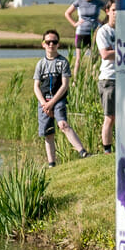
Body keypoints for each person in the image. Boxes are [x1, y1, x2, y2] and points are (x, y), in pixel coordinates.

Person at [33, 30, 90, 165]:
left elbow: (65, 85)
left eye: (54, 42)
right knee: (48, 133)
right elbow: (36, 86)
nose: (51, 44)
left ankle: (82, 152)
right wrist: (44, 103)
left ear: (58, 44)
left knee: (63, 124)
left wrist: (52, 103)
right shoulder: (40, 64)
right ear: (43, 44)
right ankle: (52, 163)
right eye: (48, 42)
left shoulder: (62, 62)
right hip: (43, 102)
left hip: (58, 100)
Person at [64, 0, 105, 74]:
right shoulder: (79, 2)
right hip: (81, 32)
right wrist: (74, 23)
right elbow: (67, 13)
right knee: (79, 58)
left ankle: (94, 77)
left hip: (94, 33)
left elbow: (108, 11)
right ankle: (75, 80)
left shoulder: (97, 2)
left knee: (95, 57)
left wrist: (102, 22)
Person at [95, 2, 119, 151]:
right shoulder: (104, 32)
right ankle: (107, 151)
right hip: (109, 79)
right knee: (110, 117)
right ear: (107, 11)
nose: (117, 13)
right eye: (114, 10)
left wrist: (115, 52)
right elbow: (105, 54)